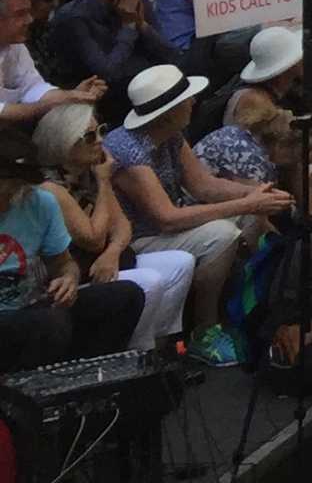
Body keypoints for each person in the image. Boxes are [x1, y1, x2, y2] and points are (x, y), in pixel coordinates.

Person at [31, 105, 196, 350]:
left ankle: (158, 344)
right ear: (64, 144)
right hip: (70, 274)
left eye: (101, 130)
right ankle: (138, 352)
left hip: (102, 262)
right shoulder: (51, 188)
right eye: (89, 136)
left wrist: (112, 252)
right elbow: (94, 238)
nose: (100, 140)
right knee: (150, 281)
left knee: (180, 263)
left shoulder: (90, 174)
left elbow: (122, 226)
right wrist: (105, 181)